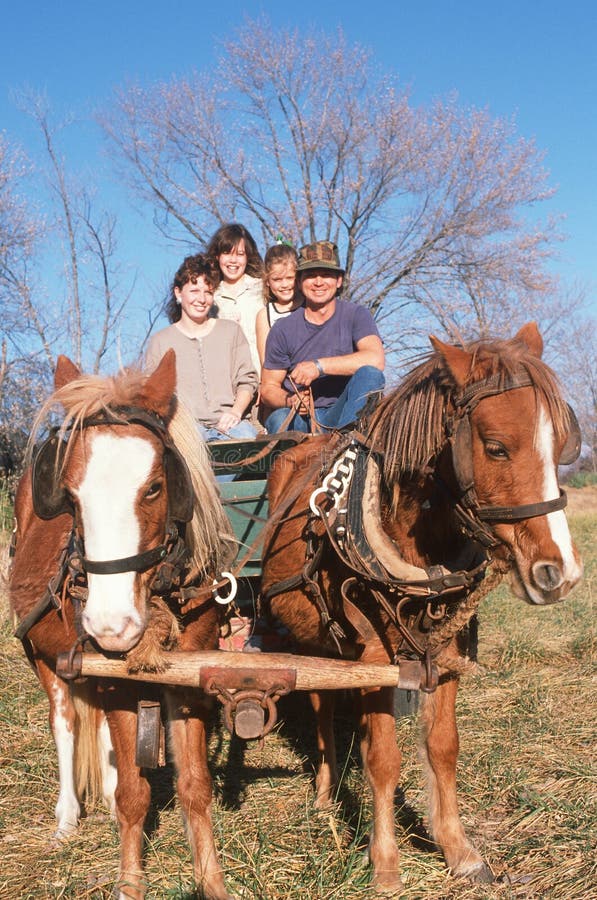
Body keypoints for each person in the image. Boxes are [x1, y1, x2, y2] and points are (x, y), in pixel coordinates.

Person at [260, 240, 385, 433]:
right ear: (300, 282)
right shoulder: (282, 329)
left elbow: (376, 360)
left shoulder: (357, 315)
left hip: (344, 412)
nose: (318, 282)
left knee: (371, 375)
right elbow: (268, 387)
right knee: (278, 419)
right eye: (310, 276)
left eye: (326, 275)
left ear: (339, 281)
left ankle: (348, 449)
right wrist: (290, 400)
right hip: (303, 417)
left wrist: (318, 367)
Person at [145, 253, 258, 442]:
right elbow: (154, 393)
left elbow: (247, 380)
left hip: (230, 425)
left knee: (246, 440)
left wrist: (235, 412)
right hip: (186, 430)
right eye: (194, 291)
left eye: (208, 292)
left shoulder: (231, 331)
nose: (202, 299)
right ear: (178, 293)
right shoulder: (160, 341)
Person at [206, 223, 264, 374]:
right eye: (227, 253)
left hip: (261, 381)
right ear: (217, 256)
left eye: (240, 254)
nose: (233, 260)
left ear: (248, 257)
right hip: (223, 383)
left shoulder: (262, 289)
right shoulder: (208, 296)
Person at [255, 242, 303, 366]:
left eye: (289, 278)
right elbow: (266, 361)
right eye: (277, 279)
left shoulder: (309, 305)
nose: (284, 285)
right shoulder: (265, 315)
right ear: (267, 281)